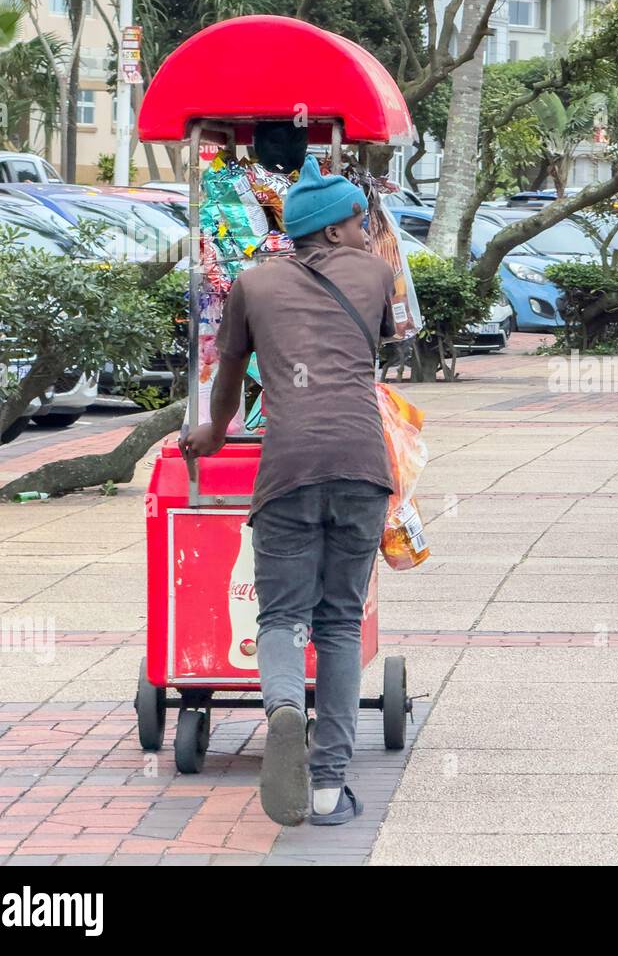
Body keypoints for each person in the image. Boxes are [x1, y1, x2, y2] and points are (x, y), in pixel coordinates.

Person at [180, 154, 397, 827]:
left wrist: (212, 433)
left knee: (281, 617)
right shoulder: (376, 274)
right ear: (331, 231)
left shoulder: (251, 284)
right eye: (358, 222)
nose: (365, 231)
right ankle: (328, 784)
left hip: (288, 468)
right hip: (362, 464)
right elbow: (372, 355)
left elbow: (228, 373)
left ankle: (280, 708)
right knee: (338, 621)